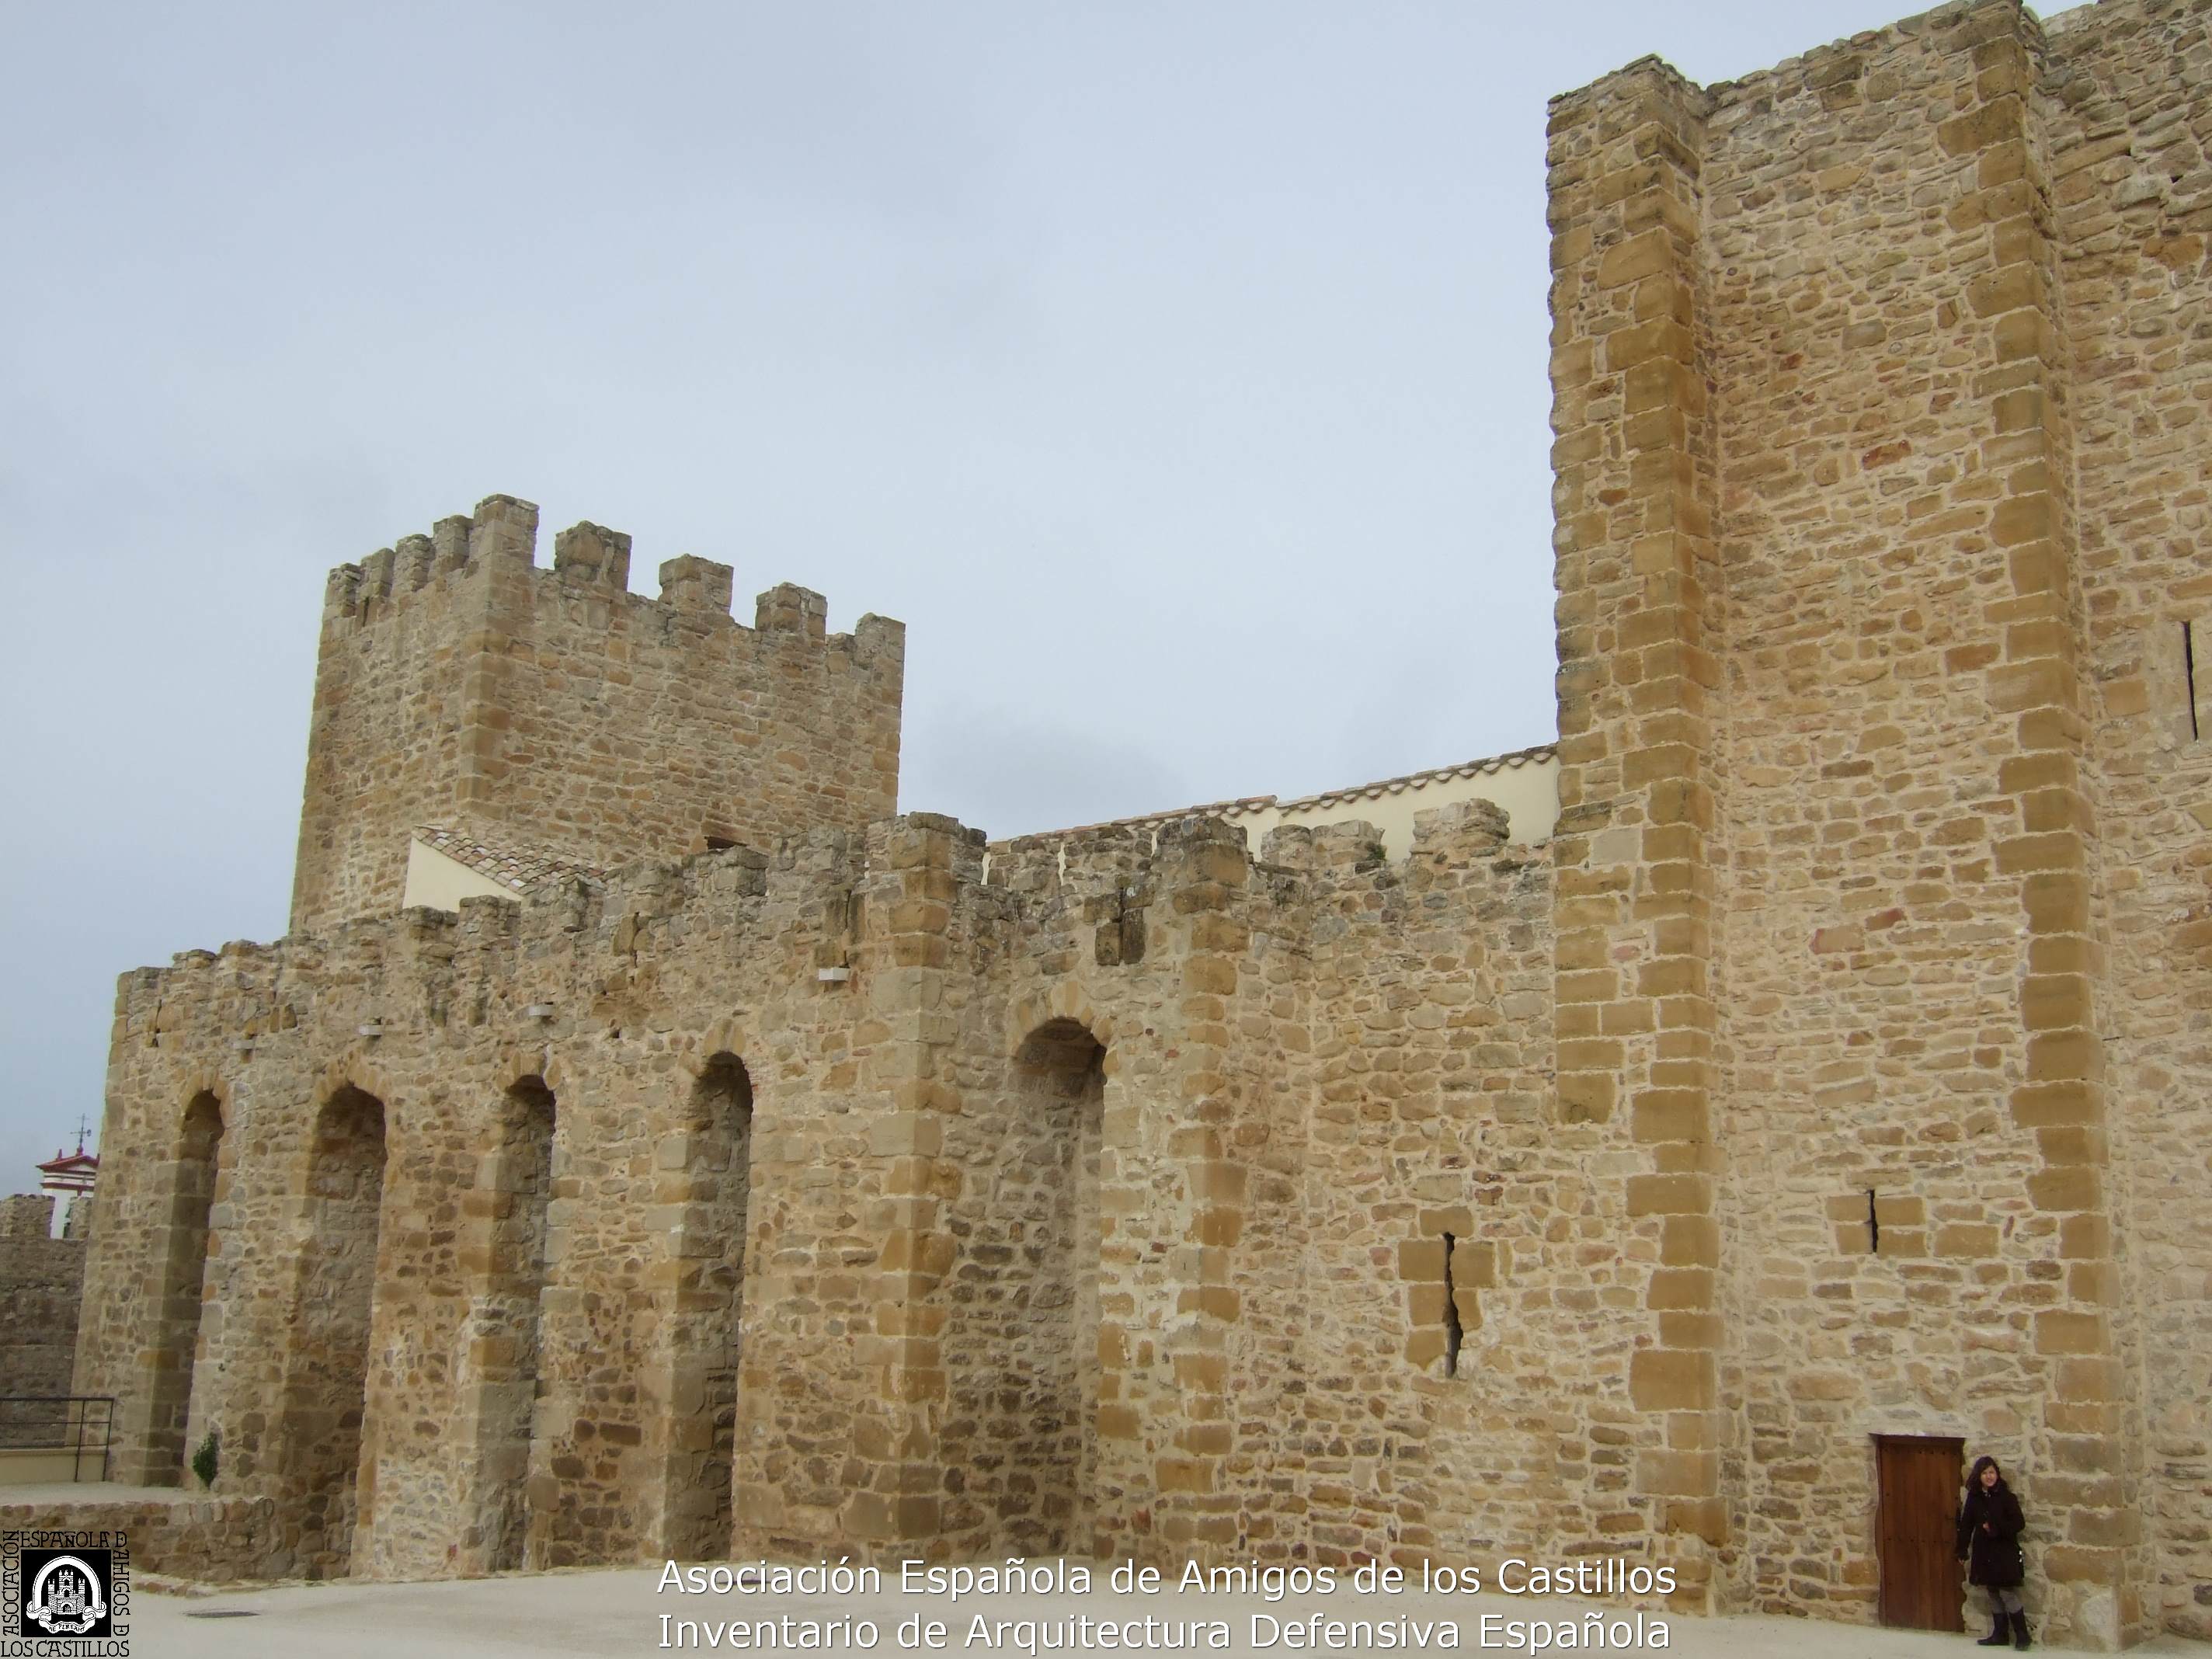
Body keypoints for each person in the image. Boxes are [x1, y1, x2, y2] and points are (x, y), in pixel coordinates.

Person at [1956, 1455, 2029, 1649]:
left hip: (2004, 1551)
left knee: (2007, 1593)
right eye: (1985, 1473)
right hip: (1985, 1551)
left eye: (1992, 1472)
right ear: (1979, 1476)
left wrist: (1996, 1528)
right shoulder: (1975, 1498)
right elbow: (1966, 1525)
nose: (1989, 1476)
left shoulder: (2007, 1497)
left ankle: (2022, 1635)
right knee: (1993, 1591)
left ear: (1997, 1474)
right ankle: (2000, 1634)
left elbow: (2019, 1524)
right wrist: (1962, 1550)